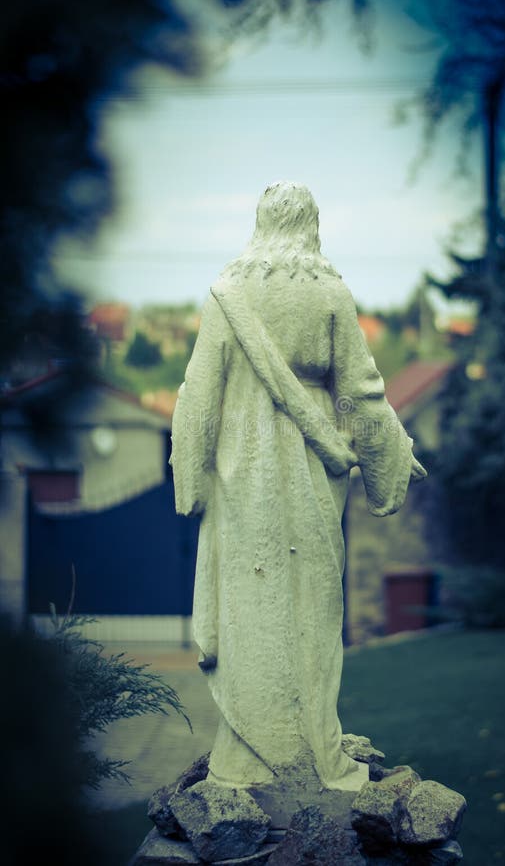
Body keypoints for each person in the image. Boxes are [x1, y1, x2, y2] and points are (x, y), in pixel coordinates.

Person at [170, 181, 426, 792]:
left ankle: (245, 755)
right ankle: (312, 747)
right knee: (312, 607)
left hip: (241, 472)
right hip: (311, 473)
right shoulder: (330, 293)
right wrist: (392, 455)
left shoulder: (227, 293)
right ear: (312, 225)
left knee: (247, 607)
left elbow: (199, 394)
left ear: (260, 223)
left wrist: (192, 475)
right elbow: (360, 392)